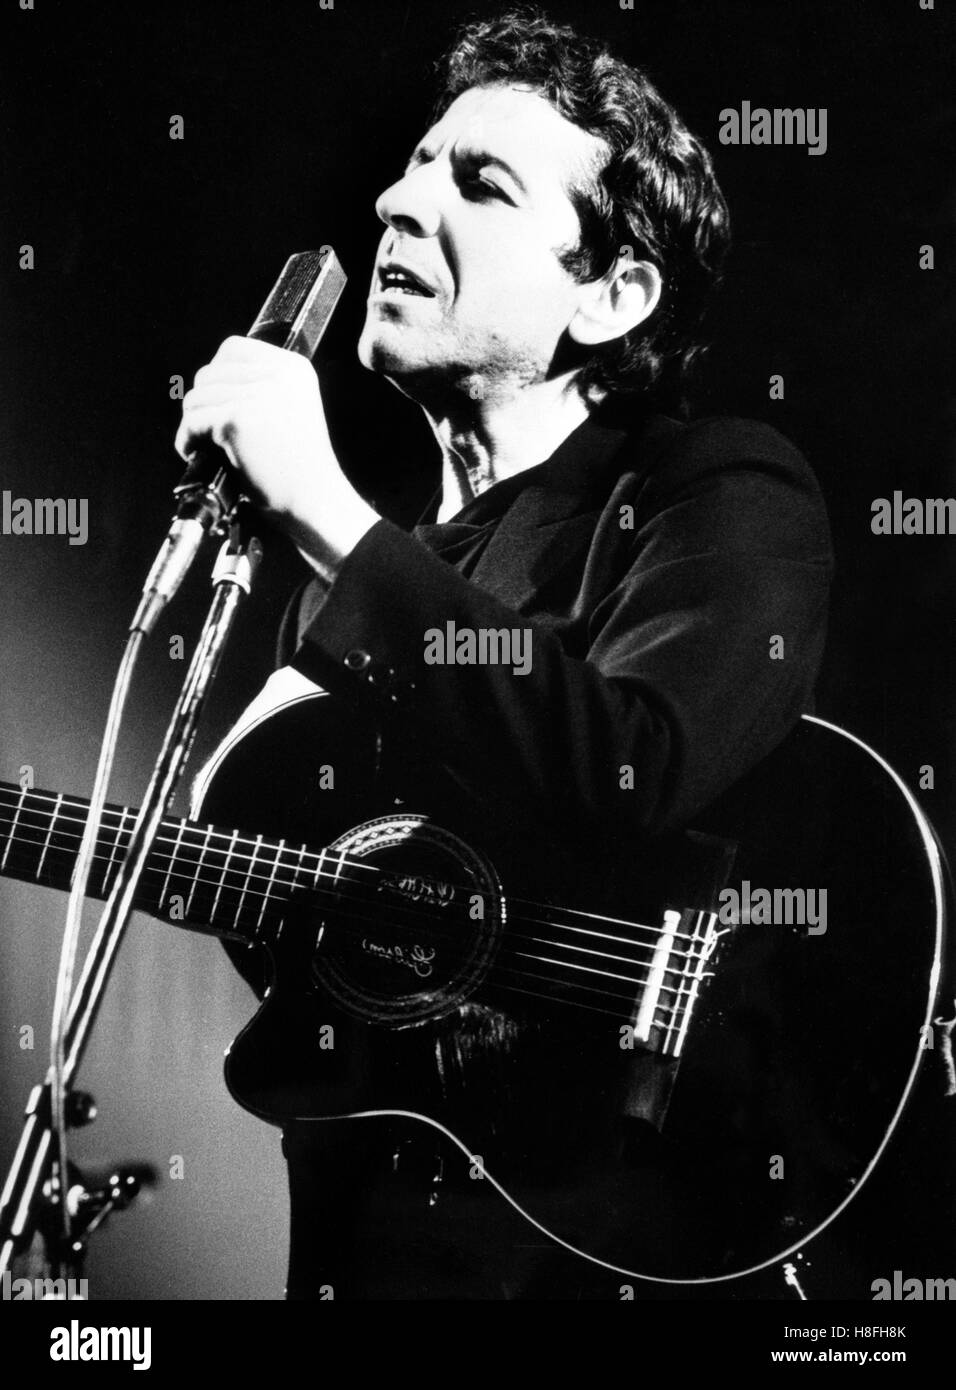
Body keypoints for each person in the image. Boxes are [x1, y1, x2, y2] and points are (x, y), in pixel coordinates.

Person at [176, 8, 833, 1299]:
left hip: (606, 1236)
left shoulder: (719, 489)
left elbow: (628, 764)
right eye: (414, 166)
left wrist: (324, 505)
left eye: (477, 183)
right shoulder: (374, 576)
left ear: (614, 293)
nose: (396, 202)